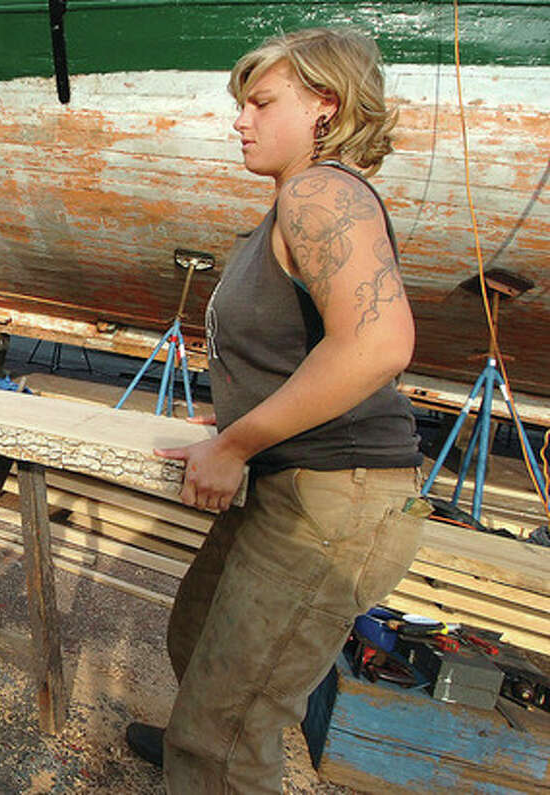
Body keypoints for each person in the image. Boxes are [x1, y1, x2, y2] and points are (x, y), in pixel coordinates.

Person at [125, 28, 427, 793]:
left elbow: (379, 341)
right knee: (195, 634)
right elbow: (300, 350)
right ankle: (207, 740)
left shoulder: (320, 190)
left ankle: (214, 759)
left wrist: (236, 443)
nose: (241, 120)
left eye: (261, 102)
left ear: (326, 104)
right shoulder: (291, 204)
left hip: (336, 496)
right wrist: (235, 424)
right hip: (289, 479)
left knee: (226, 733)